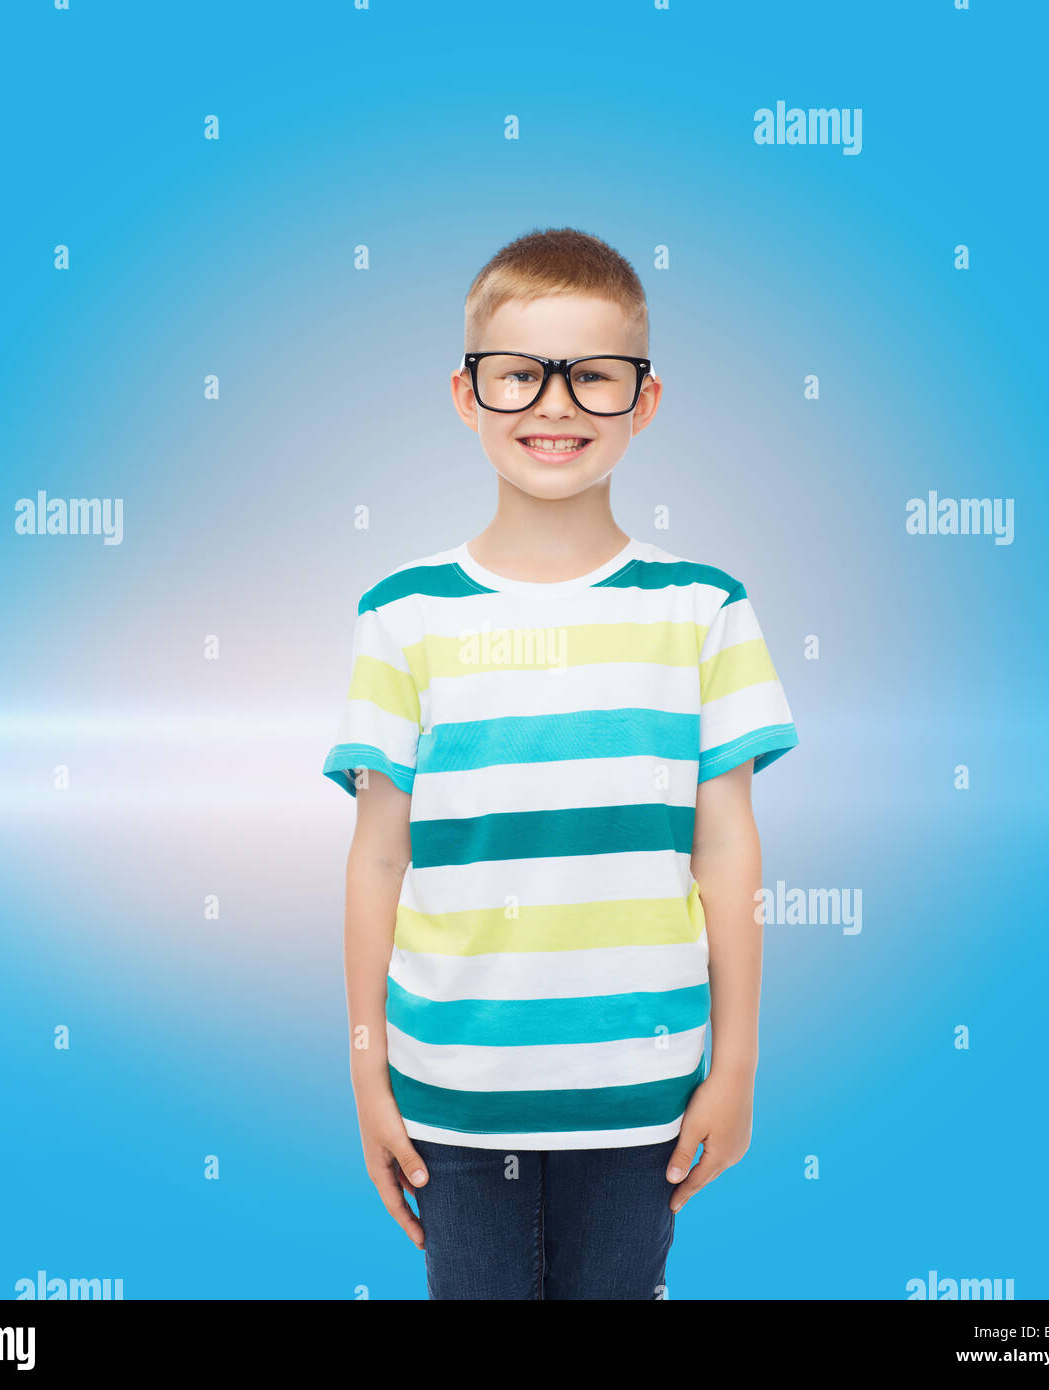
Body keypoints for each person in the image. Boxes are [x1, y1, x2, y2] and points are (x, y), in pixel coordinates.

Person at [322, 226, 799, 1299]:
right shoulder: (401, 616)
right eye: (518, 375)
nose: (555, 405)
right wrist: (367, 1075)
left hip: (646, 1096)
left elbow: (726, 848)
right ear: (466, 393)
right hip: (452, 1093)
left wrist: (738, 1065)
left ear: (645, 399)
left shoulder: (702, 608)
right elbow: (377, 859)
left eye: (593, 376)